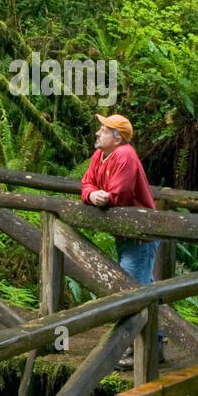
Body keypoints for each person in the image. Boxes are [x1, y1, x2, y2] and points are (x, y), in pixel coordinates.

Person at [81, 113, 159, 284]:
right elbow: (87, 183)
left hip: (139, 234)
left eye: (104, 131)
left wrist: (103, 198)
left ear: (117, 139)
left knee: (129, 290)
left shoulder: (125, 155)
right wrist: (92, 195)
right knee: (140, 288)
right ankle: (157, 311)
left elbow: (120, 196)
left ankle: (154, 311)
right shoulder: (99, 155)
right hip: (124, 233)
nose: (97, 133)